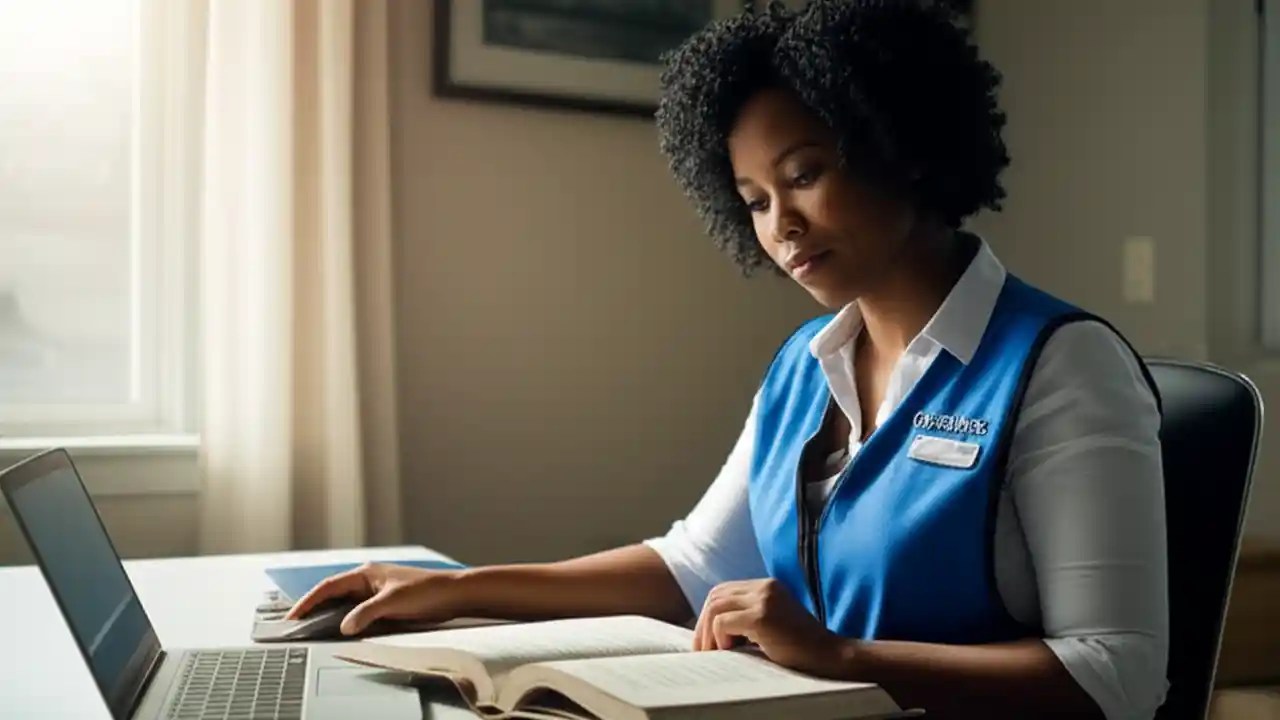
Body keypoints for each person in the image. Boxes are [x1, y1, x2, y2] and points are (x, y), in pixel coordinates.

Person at [288, 2, 1168, 717]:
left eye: (806, 174)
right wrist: (454, 589)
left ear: (904, 145)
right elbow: (692, 568)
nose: (779, 224)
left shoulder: (1062, 369)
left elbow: (1114, 676)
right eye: (753, 199)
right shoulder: (805, 366)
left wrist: (840, 658)